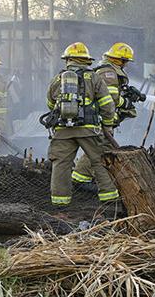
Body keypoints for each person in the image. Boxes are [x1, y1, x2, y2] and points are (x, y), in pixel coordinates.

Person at [46, 42, 118, 206]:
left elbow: (50, 104)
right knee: (99, 161)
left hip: (62, 129)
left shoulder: (58, 78)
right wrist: (108, 125)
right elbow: (107, 104)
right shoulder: (93, 77)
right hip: (88, 130)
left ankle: (60, 202)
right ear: (86, 60)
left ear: (68, 60)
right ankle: (110, 199)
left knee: (61, 164)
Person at [72, 42, 136, 185]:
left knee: (105, 148)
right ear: (121, 60)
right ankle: (80, 180)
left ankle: (101, 180)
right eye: (125, 61)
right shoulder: (109, 72)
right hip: (100, 117)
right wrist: (125, 103)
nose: (126, 65)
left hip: (100, 116)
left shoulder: (108, 71)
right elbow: (111, 96)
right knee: (97, 148)